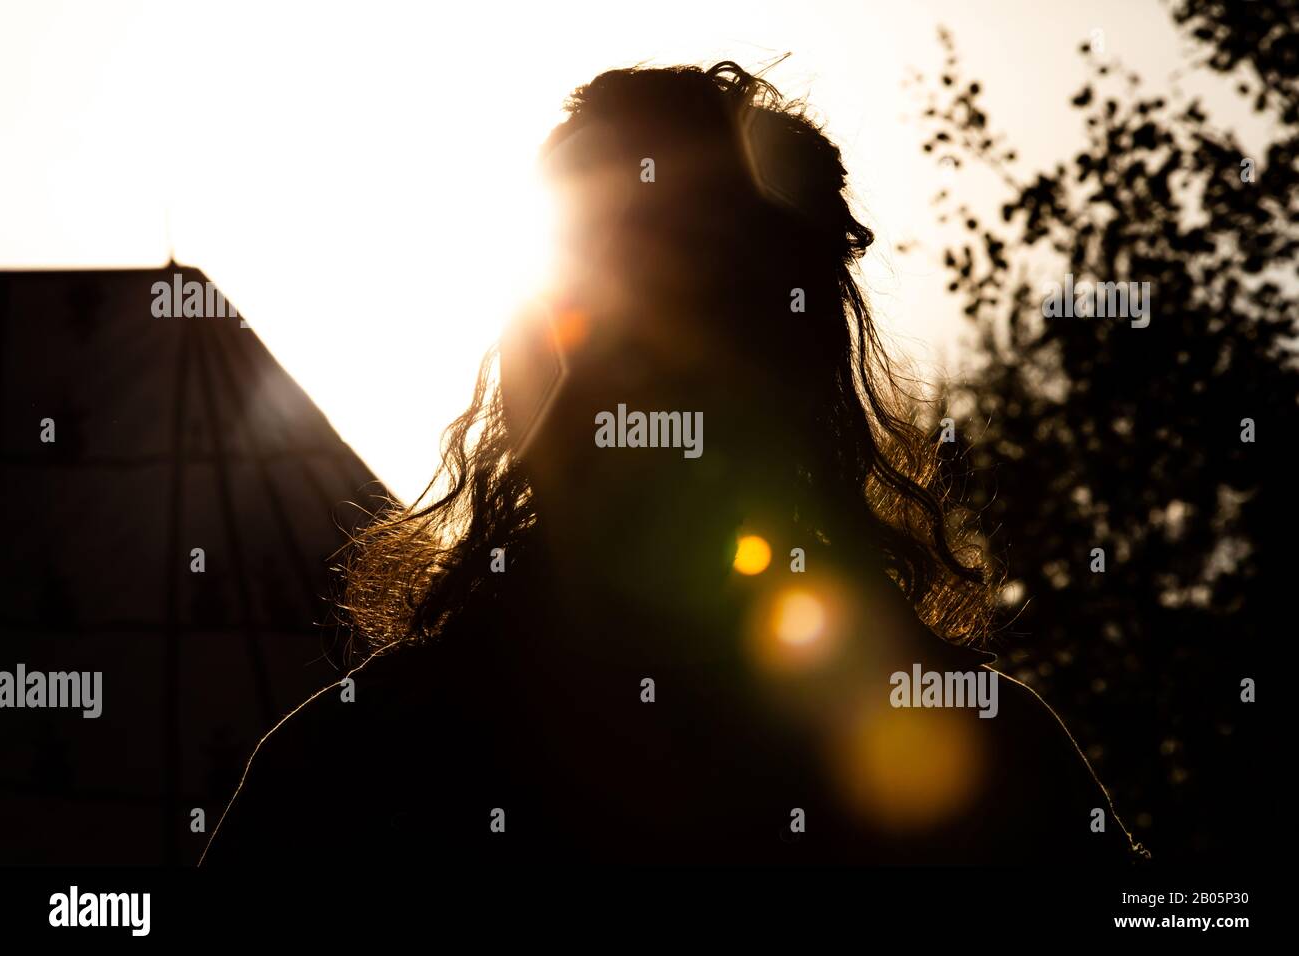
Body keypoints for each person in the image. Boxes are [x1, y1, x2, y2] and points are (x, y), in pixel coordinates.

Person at [201, 62, 1147, 865]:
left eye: (686, 299)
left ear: (792, 355)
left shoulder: (993, 767)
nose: (609, 368)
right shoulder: (354, 769)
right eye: (576, 298)